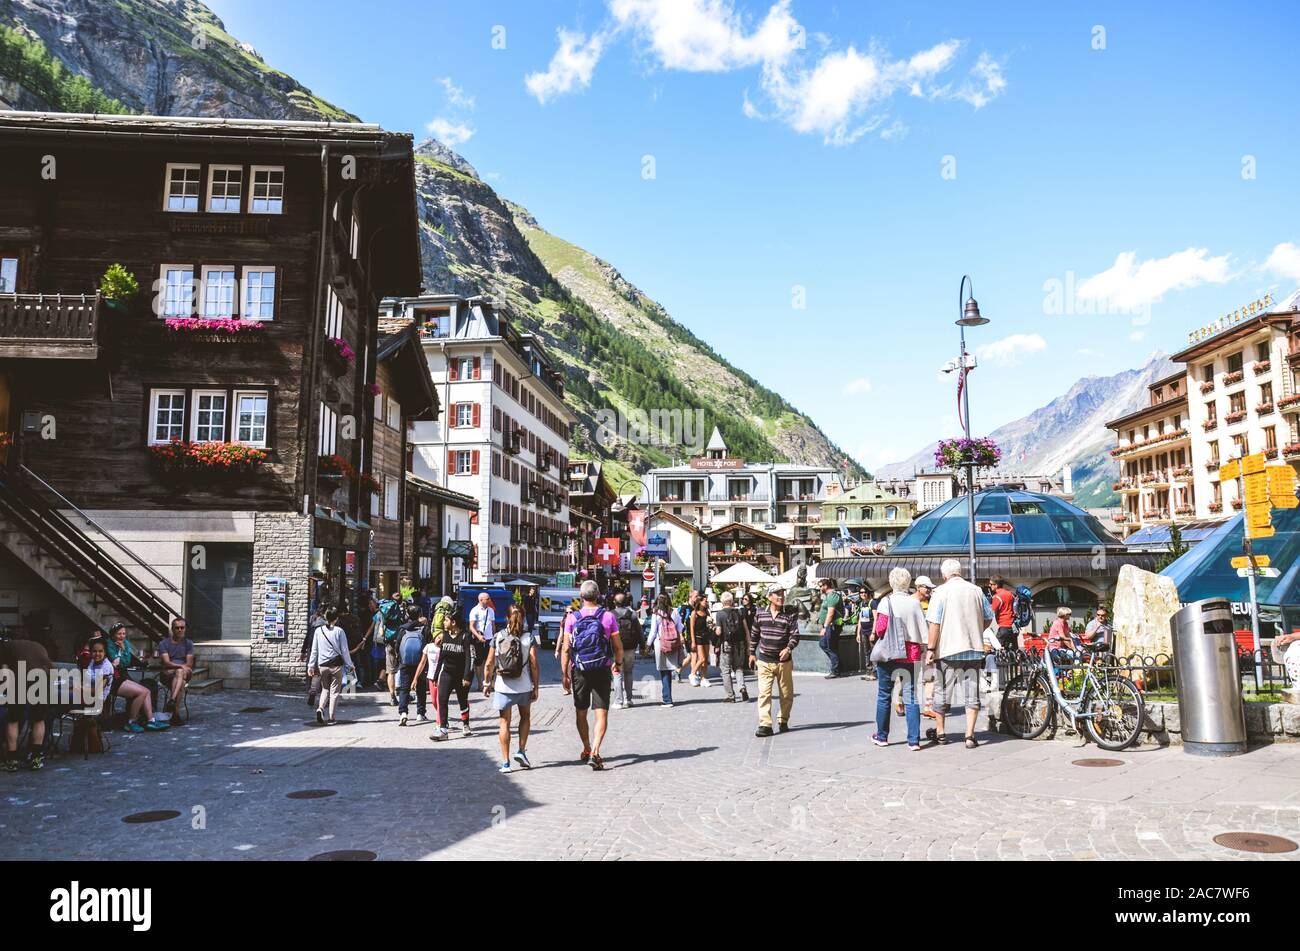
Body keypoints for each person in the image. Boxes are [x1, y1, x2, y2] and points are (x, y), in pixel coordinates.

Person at [925, 559, 993, 749]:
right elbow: (989, 617)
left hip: (948, 650)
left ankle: (940, 733)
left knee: (942, 693)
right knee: (972, 694)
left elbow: (934, 624)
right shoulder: (976, 590)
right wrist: (976, 630)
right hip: (973, 650)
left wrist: (931, 649)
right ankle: (970, 736)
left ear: (944, 575)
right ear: (960, 572)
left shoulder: (940, 592)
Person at [559, 580, 623, 771]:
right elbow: (618, 647)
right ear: (598, 596)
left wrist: (564, 674)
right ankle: (595, 751)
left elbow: (566, 649)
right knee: (601, 712)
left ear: (581, 596)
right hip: (602, 667)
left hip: (579, 669)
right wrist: (617, 664)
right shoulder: (608, 617)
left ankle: (586, 747)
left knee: (581, 711)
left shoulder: (572, 618)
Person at [871, 568, 929, 751]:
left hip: (888, 653)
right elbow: (923, 631)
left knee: (884, 695)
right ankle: (914, 740)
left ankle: (882, 736)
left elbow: (880, 629)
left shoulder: (885, 602)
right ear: (908, 582)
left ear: (891, 582)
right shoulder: (914, 603)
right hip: (910, 654)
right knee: (911, 696)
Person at [484, 606, 539, 772]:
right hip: (523, 685)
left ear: (507, 617)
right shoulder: (529, 638)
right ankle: (521, 751)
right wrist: (535, 686)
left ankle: (505, 762)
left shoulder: (498, 636)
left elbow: (489, 663)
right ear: (522, 618)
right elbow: (534, 664)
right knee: (525, 717)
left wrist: (487, 682)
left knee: (504, 722)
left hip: (503, 685)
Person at [748, 584, 799, 737]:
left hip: (784, 662)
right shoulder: (760, 614)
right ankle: (765, 725)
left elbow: (795, 635)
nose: (781, 597)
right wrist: (751, 653)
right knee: (764, 693)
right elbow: (755, 634)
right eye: (777, 594)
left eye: (782, 594)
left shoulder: (789, 614)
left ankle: (783, 720)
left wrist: (788, 649)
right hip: (764, 661)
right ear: (769, 597)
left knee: (786, 694)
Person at [0, 636, 54, 770]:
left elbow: (4, 672)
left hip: (21, 677)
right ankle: (36, 758)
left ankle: (12, 761)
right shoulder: (35, 644)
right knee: (38, 720)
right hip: (43, 676)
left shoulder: (3, 648)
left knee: (13, 720)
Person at [105, 624, 167, 733]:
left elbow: (126, 661)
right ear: (113, 635)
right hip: (113, 679)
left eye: (124, 633)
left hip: (122, 677)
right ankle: (131, 722)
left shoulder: (125, 643)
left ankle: (150, 720)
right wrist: (120, 652)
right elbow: (117, 663)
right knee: (142, 692)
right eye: (119, 634)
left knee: (147, 691)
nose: (122, 636)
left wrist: (122, 651)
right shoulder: (109, 644)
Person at [430, 613, 475, 741]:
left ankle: (465, 724)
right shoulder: (444, 636)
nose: (444, 623)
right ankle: (443, 729)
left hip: (461, 675)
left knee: (463, 700)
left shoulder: (466, 637)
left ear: (454, 622)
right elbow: (441, 658)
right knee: (442, 699)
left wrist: (467, 676)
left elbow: (470, 658)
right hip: (447, 673)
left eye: (446, 620)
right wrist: (435, 675)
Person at [307, 607, 354, 725]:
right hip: (336, 665)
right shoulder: (339, 631)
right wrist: (350, 664)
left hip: (322, 665)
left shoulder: (318, 631)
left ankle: (320, 708)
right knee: (334, 692)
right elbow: (344, 650)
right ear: (336, 618)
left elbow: (314, 650)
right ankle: (332, 717)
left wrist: (311, 665)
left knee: (325, 689)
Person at [647, 592, 688, 706]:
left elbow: (653, 632)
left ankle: (667, 699)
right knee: (669, 670)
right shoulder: (674, 612)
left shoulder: (656, 613)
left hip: (661, 644)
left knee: (664, 671)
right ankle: (668, 697)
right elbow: (680, 628)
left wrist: (647, 645)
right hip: (673, 643)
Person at [396, 604, 430, 726]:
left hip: (405, 662)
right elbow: (428, 643)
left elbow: (398, 645)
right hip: (420, 661)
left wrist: (399, 658)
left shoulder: (402, 628)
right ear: (419, 614)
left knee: (404, 688)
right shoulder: (424, 628)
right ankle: (420, 713)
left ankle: (403, 713)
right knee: (420, 687)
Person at [714, 591, 749, 702]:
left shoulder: (720, 614)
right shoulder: (739, 612)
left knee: (726, 670)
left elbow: (719, 632)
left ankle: (730, 696)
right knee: (738, 667)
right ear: (732, 601)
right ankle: (742, 688)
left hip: (727, 644)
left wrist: (714, 629)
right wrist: (749, 644)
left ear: (722, 602)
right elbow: (746, 629)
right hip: (740, 643)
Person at [159, 617, 195, 721]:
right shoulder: (164, 643)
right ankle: (175, 714)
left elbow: (188, 664)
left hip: (184, 671)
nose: (180, 630)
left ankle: (172, 700)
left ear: (185, 629)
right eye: (177, 628)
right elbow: (166, 662)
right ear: (172, 629)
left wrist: (178, 668)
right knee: (181, 682)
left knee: (180, 672)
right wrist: (179, 667)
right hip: (168, 674)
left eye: (182, 627)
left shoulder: (189, 643)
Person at [611, 592, 642, 708]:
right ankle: (628, 699)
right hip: (630, 648)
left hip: (615, 649)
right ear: (627, 602)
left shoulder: (610, 615)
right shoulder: (632, 614)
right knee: (629, 672)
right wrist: (643, 646)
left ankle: (618, 701)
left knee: (617, 673)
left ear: (614, 602)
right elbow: (639, 632)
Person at [816, 578, 844, 679]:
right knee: (825, 644)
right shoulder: (827, 596)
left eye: (820, 586)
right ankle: (837, 665)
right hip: (830, 625)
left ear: (825, 586)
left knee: (829, 646)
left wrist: (825, 627)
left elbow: (830, 613)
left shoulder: (832, 596)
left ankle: (836, 669)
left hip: (832, 625)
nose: (819, 589)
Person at [468, 591, 496, 690]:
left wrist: (494, 636)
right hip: (479, 639)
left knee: (490, 661)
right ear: (481, 600)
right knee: (479, 662)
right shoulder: (474, 610)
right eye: (487, 599)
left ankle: (488, 682)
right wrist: (478, 636)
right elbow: (471, 626)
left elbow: (493, 624)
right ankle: (480, 683)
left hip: (489, 639)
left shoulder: (491, 610)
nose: (489, 600)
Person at [687, 598, 712, 687]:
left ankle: (703, 678)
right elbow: (692, 628)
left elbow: (708, 624)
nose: (706, 602)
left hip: (706, 636)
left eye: (706, 601)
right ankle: (692, 674)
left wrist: (711, 625)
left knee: (706, 660)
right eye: (704, 601)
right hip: (698, 637)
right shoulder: (694, 613)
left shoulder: (707, 612)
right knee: (702, 658)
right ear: (699, 602)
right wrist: (693, 641)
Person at [989, 576, 1017, 652]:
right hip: (1013, 627)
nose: (989, 585)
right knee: (1012, 652)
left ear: (996, 585)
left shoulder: (997, 597)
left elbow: (991, 611)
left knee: (995, 650)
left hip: (1004, 627)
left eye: (991, 584)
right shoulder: (1010, 594)